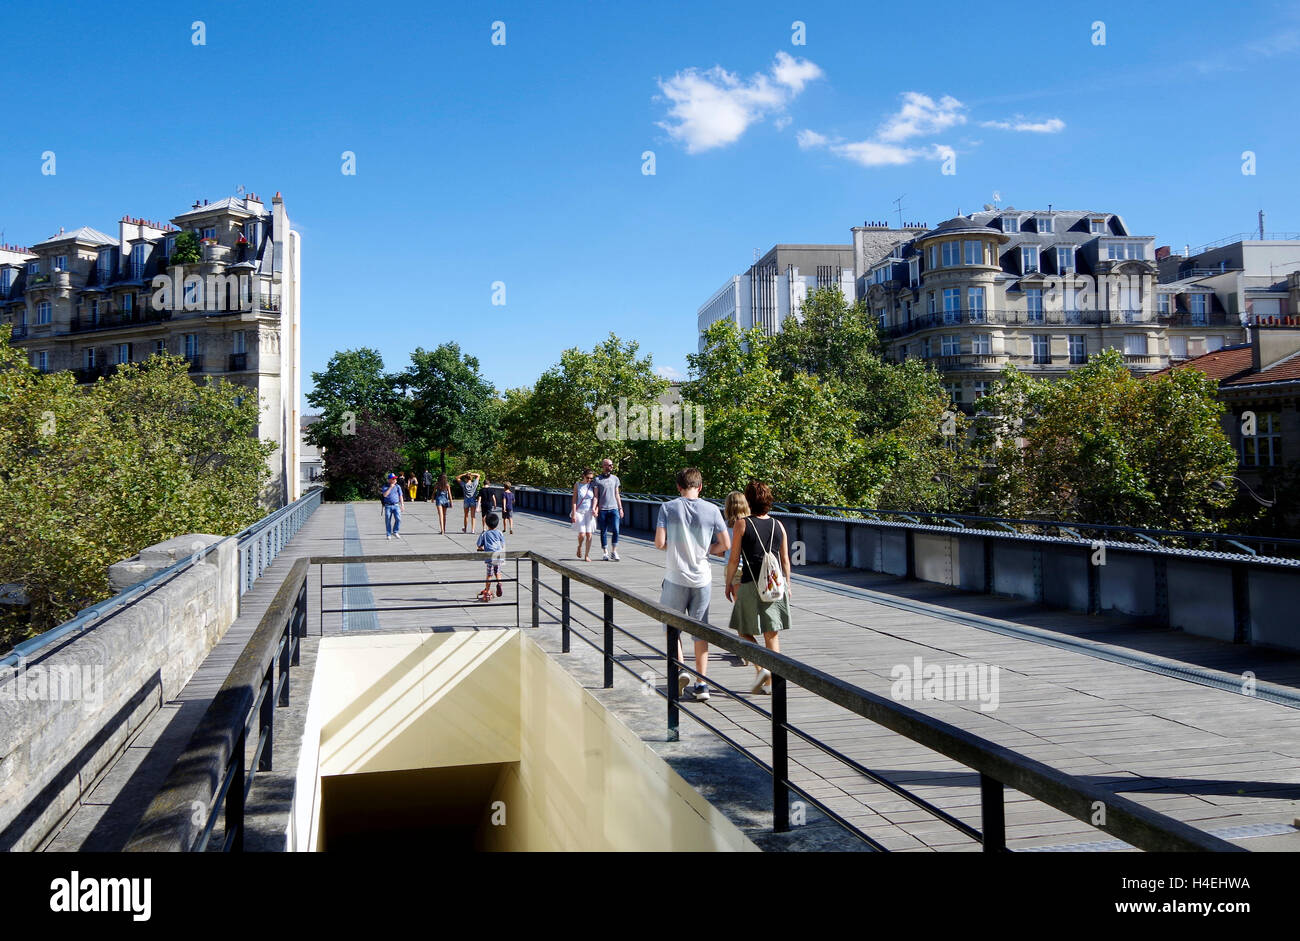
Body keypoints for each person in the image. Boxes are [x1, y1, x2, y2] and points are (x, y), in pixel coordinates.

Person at [655, 467, 729, 702]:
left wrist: (674, 548)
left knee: (671, 627)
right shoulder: (712, 509)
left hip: (676, 577)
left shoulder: (667, 508)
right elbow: (725, 544)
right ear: (700, 486)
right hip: (702, 579)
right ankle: (702, 684)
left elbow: (659, 543)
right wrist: (706, 551)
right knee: (700, 631)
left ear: (678, 487)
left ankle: (680, 670)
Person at [724, 480, 793, 695]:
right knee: (771, 635)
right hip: (774, 585)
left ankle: (761, 669)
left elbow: (734, 559)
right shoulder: (779, 525)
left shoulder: (742, 524)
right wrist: (788, 585)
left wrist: (727, 583)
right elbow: (785, 560)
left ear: (749, 501)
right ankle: (775, 680)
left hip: (750, 584)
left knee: (744, 630)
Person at [723, 490, 751, 665]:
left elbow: (726, 551)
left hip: (735, 571)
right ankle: (748, 647)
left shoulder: (727, 525)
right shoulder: (750, 523)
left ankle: (747, 650)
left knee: (740, 613)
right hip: (751, 571)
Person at [593, 457, 624, 561]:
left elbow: (617, 494)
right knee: (603, 531)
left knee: (616, 529)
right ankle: (605, 552)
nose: (611, 467)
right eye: (609, 465)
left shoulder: (615, 479)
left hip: (614, 508)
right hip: (603, 509)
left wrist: (620, 508)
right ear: (604, 466)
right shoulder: (597, 480)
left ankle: (614, 551)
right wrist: (594, 508)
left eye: (611, 465)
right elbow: (596, 496)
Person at [476, 512, 505, 602]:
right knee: (498, 573)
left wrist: (481, 548)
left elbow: (478, 545)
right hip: (499, 555)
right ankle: (499, 583)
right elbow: (502, 544)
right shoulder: (500, 532)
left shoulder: (485, 533)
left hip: (490, 557)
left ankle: (487, 590)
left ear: (486, 523)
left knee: (489, 575)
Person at [571, 468, 598, 560]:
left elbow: (596, 498)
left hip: (589, 512)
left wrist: (595, 509)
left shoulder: (592, 486)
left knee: (589, 534)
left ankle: (587, 555)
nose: (589, 480)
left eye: (591, 478)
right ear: (583, 476)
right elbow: (574, 500)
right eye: (588, 478)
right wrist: (574, 513)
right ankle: (579, 546)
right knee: (582, 534)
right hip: (579, 511)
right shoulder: (577, 485)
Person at [381, 472, 404, 541]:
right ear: (389, 480)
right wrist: (390, 487)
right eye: (393, 479)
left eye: (395, 479)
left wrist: (402, 504)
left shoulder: (398, 486)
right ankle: (388, 534)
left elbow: (400, 496)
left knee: (398, 519)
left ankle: (395, 531)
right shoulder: (385, 486)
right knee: (388, 520)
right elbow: (384, 495)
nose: (395, 480)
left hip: (396, 505)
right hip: (388, 505)